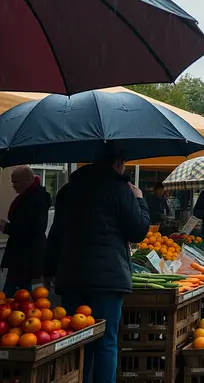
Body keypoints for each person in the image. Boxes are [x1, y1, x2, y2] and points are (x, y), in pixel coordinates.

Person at [44, 151, 150, 383]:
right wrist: (140, 199)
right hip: (109, 280)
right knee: (106, 342)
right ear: (118, 163)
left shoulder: (67, 192)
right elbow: (139, 231)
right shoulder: (120, 190)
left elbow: (56, 233)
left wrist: (48, 269)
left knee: (77, 340)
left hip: (71, 276)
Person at [1, 166, 51, 296]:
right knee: (16, 291)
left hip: (26, 256)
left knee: (18, 293)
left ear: (29, 180)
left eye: (17, 182)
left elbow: (34, 228)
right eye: (13, 183)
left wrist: (7, 227)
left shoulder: (36, 199)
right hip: (21, 255)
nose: (14, 186)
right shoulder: (28, 196)